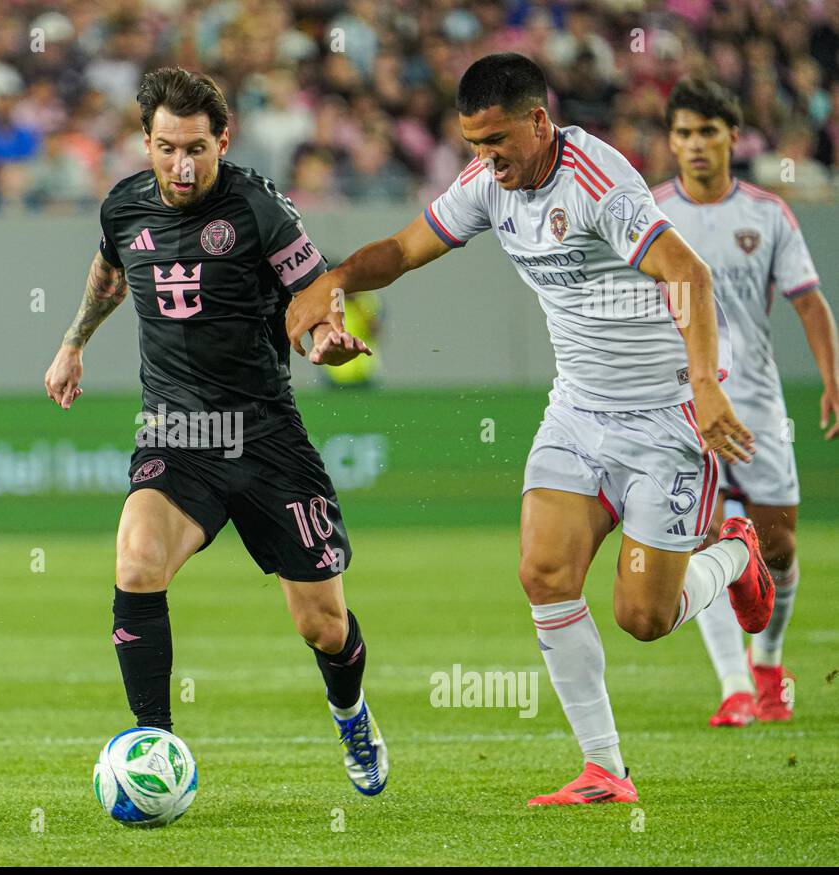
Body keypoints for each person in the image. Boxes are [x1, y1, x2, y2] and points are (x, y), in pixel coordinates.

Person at [285, 53, 777, 806]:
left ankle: (736, 555)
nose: (486, 160)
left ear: (539, 121)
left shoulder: (596, 183)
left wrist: (708, 387)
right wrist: (335, 279)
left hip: (665, 417)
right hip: (578, 412)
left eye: (496, 142)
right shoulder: (491, 184)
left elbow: (689, 273)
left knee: (643, 618)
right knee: (544, 573)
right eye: (473, 145)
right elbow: (406, 250)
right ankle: (605, 770)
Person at [42, 67, 388, 796]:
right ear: (146, 142)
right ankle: (153, 748)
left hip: (265, 439)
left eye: (197, 148)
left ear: (222, 140)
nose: (182, 165)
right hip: (175, 437)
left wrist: (323, 335)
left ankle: (351, 712)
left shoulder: (260, 209)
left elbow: (313, 291)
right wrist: (74, 342)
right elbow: (111, 275)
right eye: (166, 148)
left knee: (322, 624)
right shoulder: (124, 207)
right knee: (136, 561)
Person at [656, 78, 838, 727]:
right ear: (671, 142)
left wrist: (832, 378)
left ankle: (769, 660)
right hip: (680, 400)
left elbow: (810, 303)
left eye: (707, 131)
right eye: (683, 133)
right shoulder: (649, 212)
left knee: (778, 544)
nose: (695, 144)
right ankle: (733, 686)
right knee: (699, 536)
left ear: (734, 137)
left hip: (757, 403)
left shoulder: (767, 213)